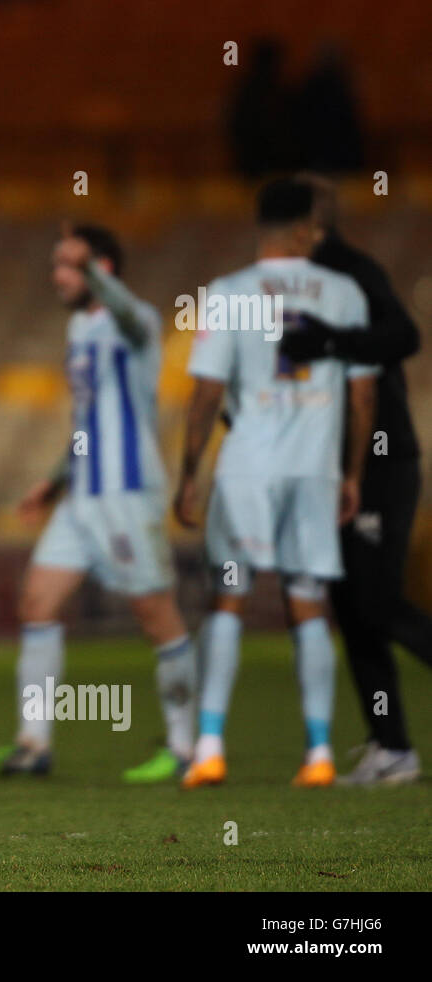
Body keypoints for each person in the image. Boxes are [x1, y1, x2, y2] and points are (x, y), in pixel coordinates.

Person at [0, 225, 197, 783]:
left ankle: (188, 747)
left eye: (68, 265)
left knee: (155, 614)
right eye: (59, 265)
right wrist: (52, 480)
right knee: (37, 603)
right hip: (82, 494)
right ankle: (32, 744)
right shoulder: (78, 327)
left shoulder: (135, 321)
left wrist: (89, 266)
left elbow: (126, 315)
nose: (57, 276)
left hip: (127, 493)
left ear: (102, 268)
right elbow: (89, 420)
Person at [176, 177, 376, 789]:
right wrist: (352, 473)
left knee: (228, 598)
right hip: (313, 469)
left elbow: (208, 392)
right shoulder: (344, 293)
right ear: (300, 229)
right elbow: (362, 394)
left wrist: (190, 473)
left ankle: (209, 746)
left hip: (248, 469)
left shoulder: (231, 292)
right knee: (308, 603)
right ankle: (318, 755)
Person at [278, 173, 427, 784]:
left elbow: (404, 335)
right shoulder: (292, 282)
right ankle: (390, 746)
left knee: (375, 600)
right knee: (355, 607)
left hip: (380, 464)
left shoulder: (348, 270)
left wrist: (332, 339)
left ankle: (391, 744)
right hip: (332, 465)